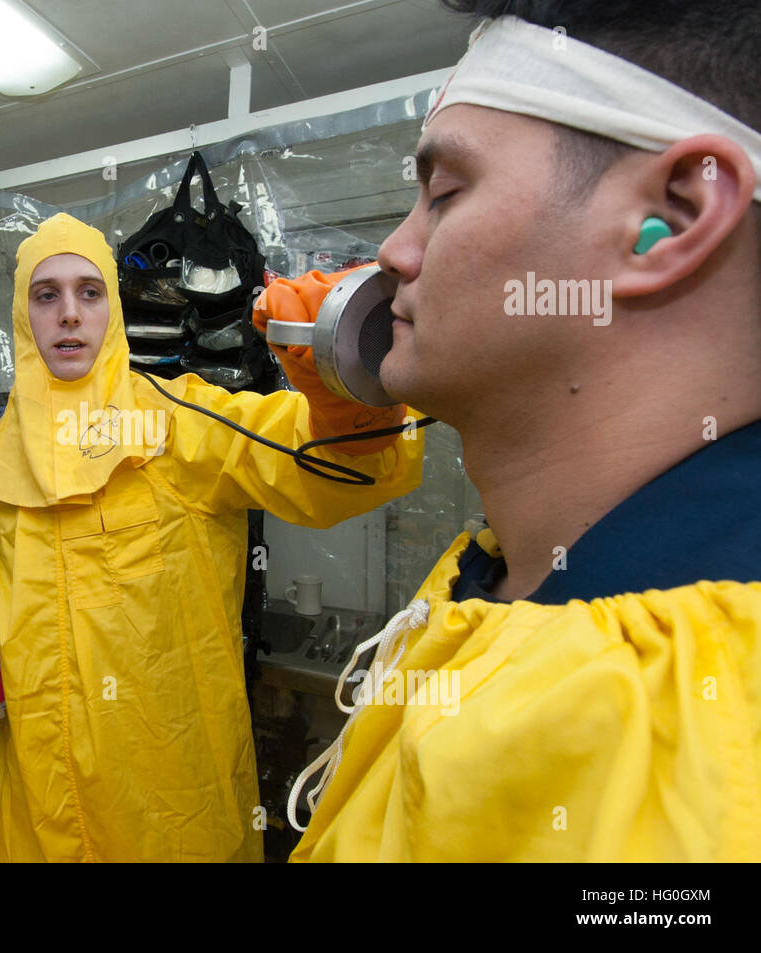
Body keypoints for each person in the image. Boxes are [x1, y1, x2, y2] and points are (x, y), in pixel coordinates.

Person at [286, 2, 761, 861]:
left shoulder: (726, 729)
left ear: (676, 215)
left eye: (444, 193)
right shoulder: (498, 584)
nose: (393, 251)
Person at [0, 212, 424, 862]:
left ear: (112, 309)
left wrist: (345, 385)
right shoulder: (0, 458)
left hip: (168, 802)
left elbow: (334, 466)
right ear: (23, 314)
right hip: (37, 800)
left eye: (89, 292)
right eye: (47, 295)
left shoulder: (183, 422)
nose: (69, 313)